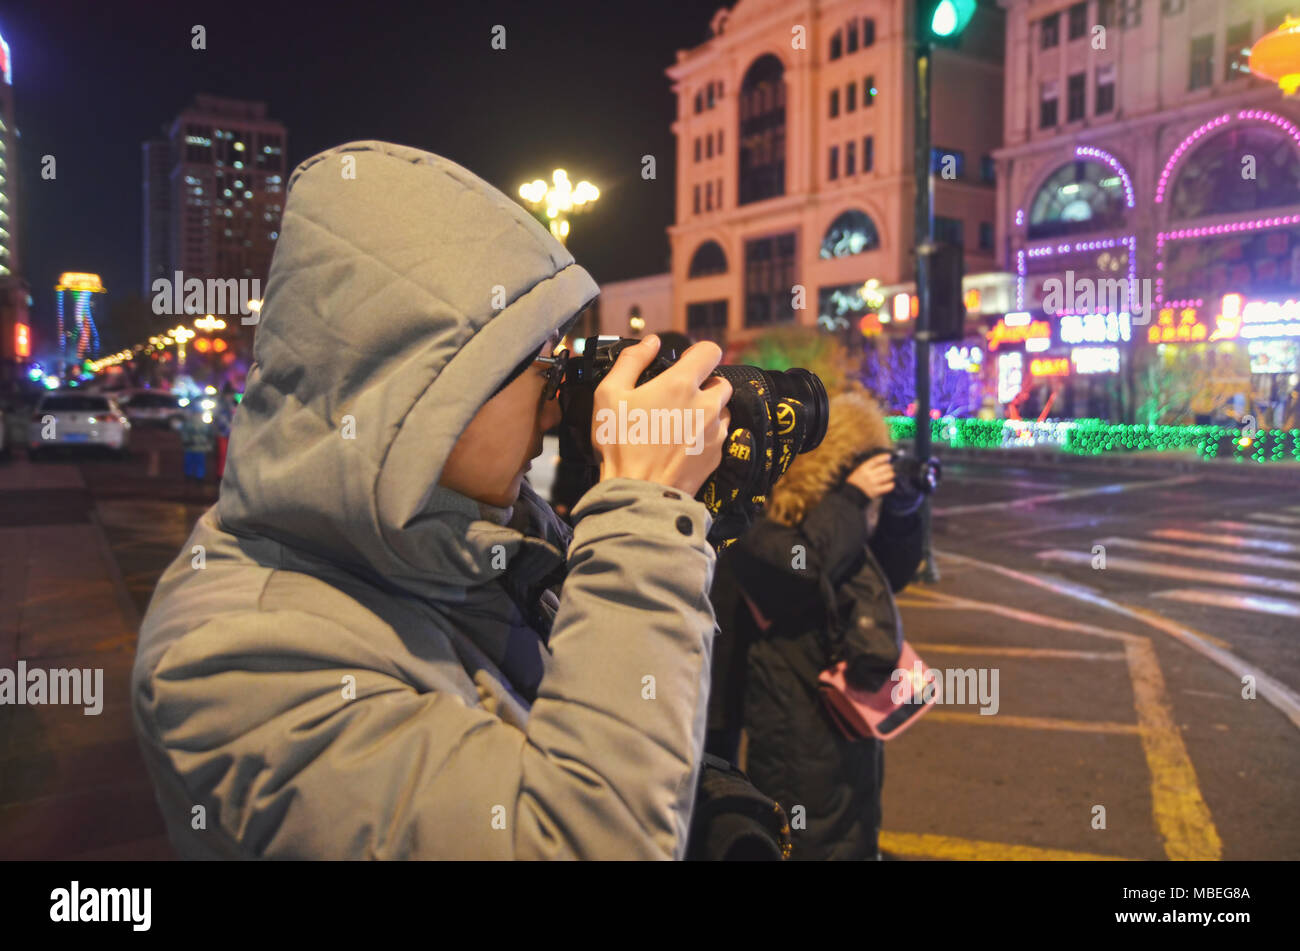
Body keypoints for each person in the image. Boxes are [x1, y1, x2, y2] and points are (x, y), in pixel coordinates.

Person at [130, 141, 736, 860]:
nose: (553, 406)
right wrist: (642, 518)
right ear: (419, 383)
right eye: (539, 359)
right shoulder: (226, 669)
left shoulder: (452, 538)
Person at [705, 384, 923, 860]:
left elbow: (895, 567)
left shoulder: (838, 525)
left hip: (849, 722)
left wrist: (904, 510)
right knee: (806, 839)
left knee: (853, 831)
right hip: (791, 726)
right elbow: (805, 572)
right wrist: (848, 500)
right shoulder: (763, 524)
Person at [179, 402, 214, 482]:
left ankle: (195, 476)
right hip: (194, 446)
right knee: (193, 462)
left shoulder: (200, 423)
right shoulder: (191, 423)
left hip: (196, 446)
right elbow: (185, 433)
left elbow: (208, 434)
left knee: (197, 462)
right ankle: (194, 476)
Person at [213, 383, 236, 480]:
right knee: (223, 454)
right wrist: (229, 426)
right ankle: (221, 474)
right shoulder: (221, 405)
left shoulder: (232, 404)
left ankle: (227, 474)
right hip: (223, 433)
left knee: (230, 454)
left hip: (231, 434)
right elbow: (220, 418)